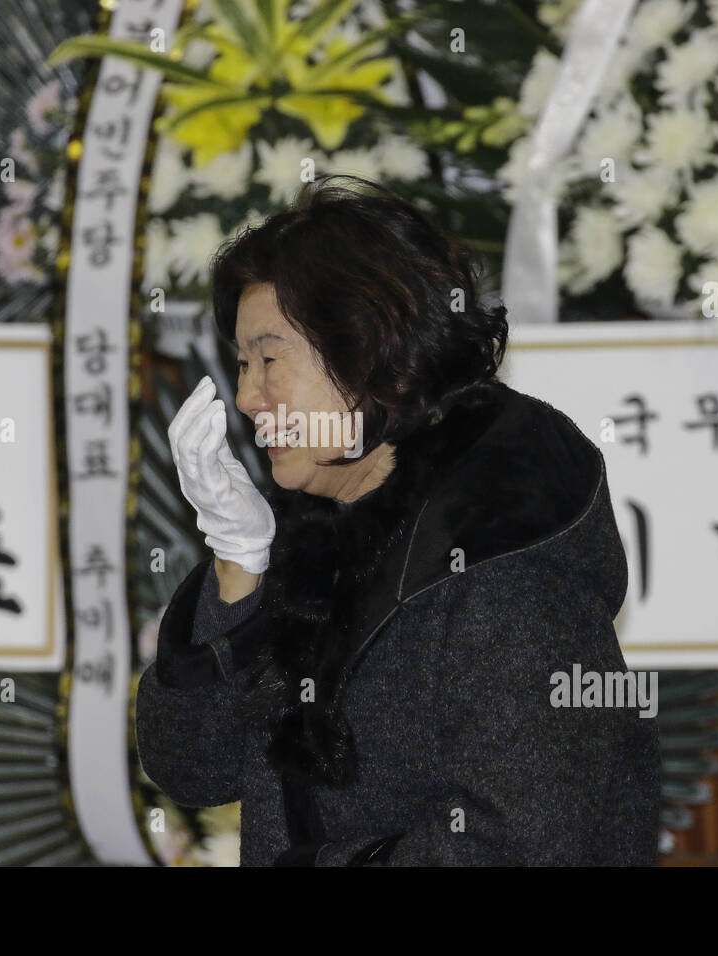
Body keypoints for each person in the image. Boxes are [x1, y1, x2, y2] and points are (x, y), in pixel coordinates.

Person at [134, 174, 662, 866]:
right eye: (241, 364)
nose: (247, 397)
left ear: (369, 349)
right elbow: (192, 768)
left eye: (268, 359)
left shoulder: (506, 560)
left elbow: (520, 848)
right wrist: (239, 560)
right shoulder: (319, 539)